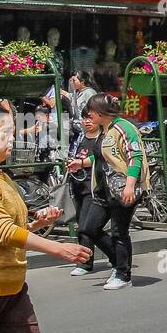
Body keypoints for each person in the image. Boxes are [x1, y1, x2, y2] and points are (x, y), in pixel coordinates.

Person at [0, 100, 90, 333]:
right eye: (5, 132)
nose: (13, 138)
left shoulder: (1, 176)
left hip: (11, 290)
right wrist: (58, 249)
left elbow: (9, 228)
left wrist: (37, 223)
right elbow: (2, 230)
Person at [78, 94, 149, 291]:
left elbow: (135, 157)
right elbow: (101, 155)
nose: (89, 116)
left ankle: (123, 274)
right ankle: (118, 260)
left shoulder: (123, 128)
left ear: (101, 112)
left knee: (119, 232)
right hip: (102, 190)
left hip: (121, 190)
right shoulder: (104, 130)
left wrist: (129, 185)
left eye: (91, 111)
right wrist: (82, 163)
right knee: (89, 228)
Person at [63, 113, 101, 277]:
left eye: (91, 118)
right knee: (82, 224)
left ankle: (85, 263)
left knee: (86, 227)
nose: (87, 121)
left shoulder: (102, 138)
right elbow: (73, 154)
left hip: (92, 187)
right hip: (77, 184)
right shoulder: (79, 137)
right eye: (85, 118)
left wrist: (82, 163)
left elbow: (99, 156)